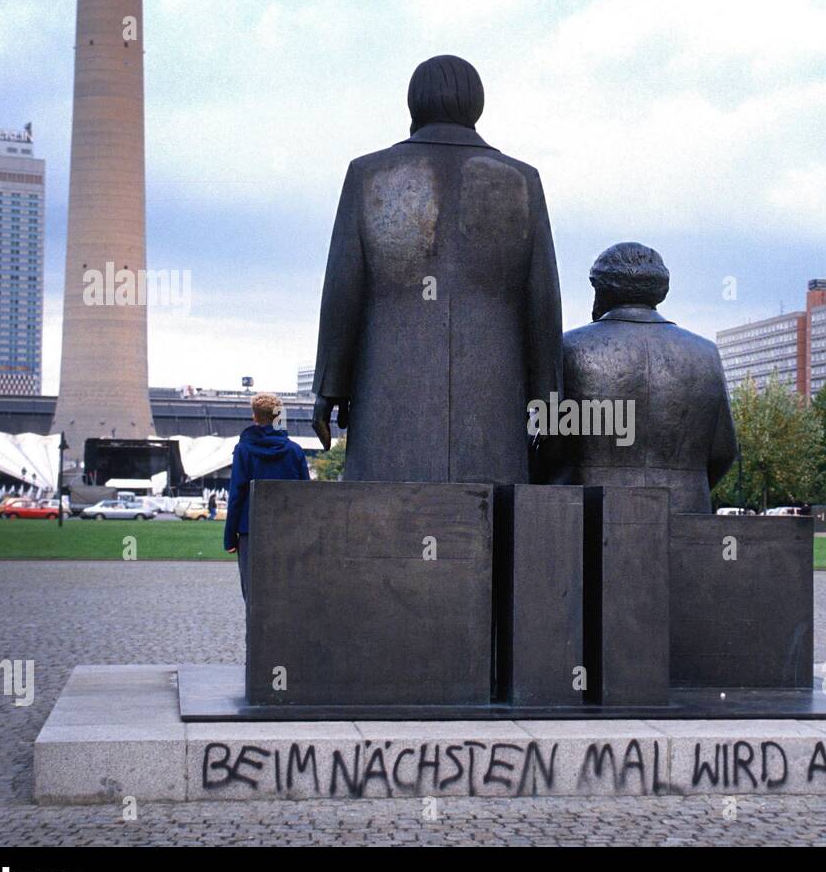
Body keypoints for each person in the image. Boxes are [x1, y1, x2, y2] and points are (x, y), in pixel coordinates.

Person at [311, 54, 562, 486]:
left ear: (414, 103)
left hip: (386, 389)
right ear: (476, 104)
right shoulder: (522, 181)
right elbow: (543, 300)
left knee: (383, 515)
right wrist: (550, 400)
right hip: (494, 398)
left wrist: (329, 387)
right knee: (488, 516)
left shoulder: (367, 174)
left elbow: (343, 288)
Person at [548, 242, 737, 514]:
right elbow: (723, 451)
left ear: (600, 290)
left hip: (587, 518)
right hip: (683, 514)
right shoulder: (706, 354)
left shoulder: (568, 348)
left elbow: (547, 447)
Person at [224, 393, 310, 600]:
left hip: (250, 528)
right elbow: (306, 495)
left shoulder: (243, 450)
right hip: (287, 529)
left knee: (253, 592)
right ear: (277, 416)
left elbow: (237, 494)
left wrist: (230, 537)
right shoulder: (294, 451)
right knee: (285, 591)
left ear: (255, 417)